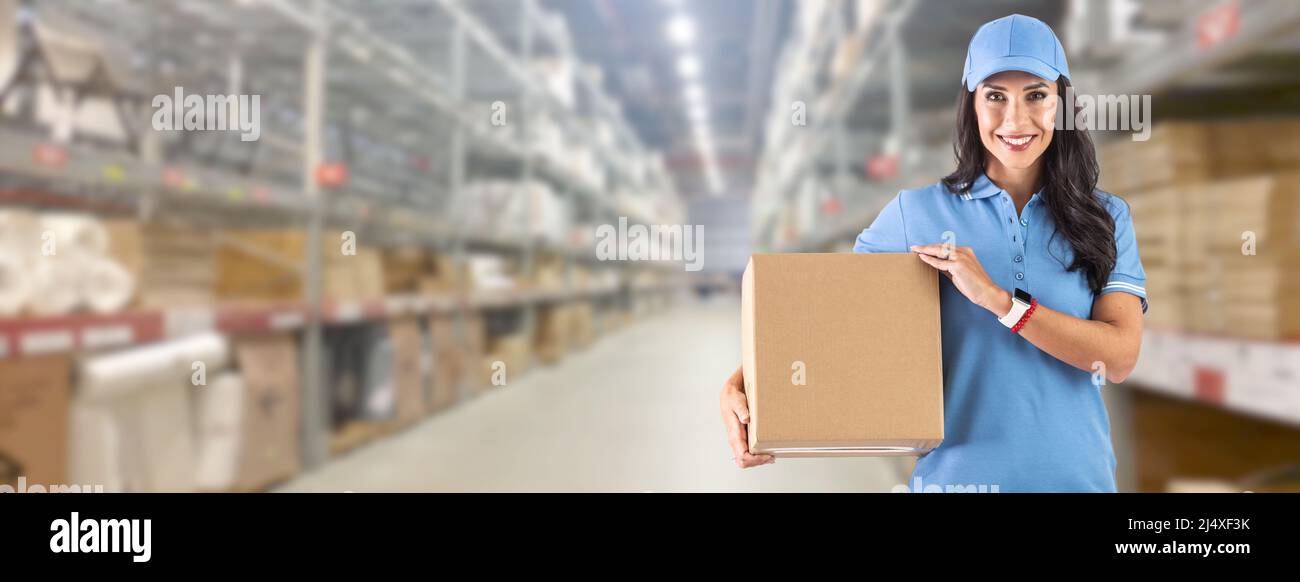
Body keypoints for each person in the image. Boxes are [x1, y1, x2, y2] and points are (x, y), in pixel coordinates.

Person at [718, 14, 1147, 492]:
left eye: (1036, 96)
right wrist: (741, 384)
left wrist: (1002, 303)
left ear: (1061, 103)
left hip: (1077, 483)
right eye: (995, 97)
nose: (1016, 120)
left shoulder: (1105, 218)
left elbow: (1119, 357)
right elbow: (823, 327)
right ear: (971, 104)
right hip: (956, 482)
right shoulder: (913, 215)